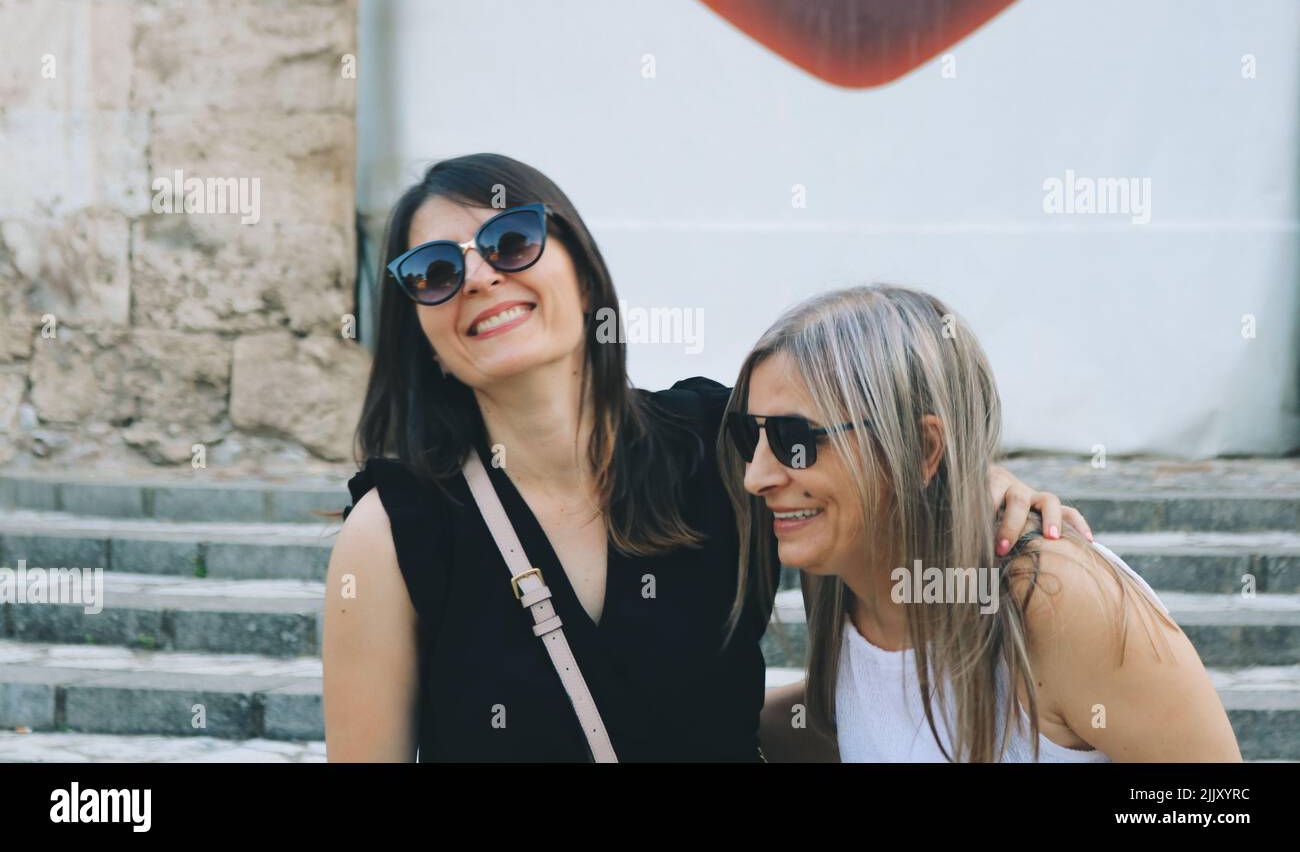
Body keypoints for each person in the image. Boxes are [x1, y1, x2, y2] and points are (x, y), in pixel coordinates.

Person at [323, 154, 1089, 761]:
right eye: (435, 272)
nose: (481, 277)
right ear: (416, 324)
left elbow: (870, 464)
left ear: (582, 267)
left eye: (511, 240)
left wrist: (972, 482)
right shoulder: (394, 530)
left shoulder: (717, 442)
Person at [725, 284, 1241, 761]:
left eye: (796, 440)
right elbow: (856, 716)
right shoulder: (840, 582)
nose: (757, 476)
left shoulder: (1054, 599)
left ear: (924, 447)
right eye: (752, 437)